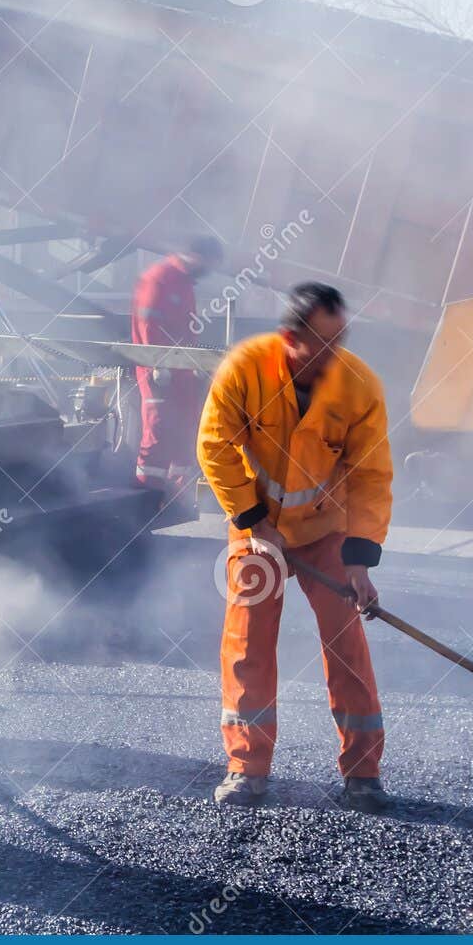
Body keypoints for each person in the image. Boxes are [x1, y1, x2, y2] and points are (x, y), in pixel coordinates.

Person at [196, 282, 393, 813]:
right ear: (289, 338)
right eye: (321, 343)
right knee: (249, 640)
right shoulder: (245, 369)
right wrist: (255, 521)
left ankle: (363, 772)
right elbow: (215, 445)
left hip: (329, 530)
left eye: (340, 340)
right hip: (259, 528)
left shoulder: (358, 387)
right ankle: (246, 767)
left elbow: (371, 478)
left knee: (346, 643)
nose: (332, 355)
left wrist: (360, 561)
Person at [132, 235, 224, 494]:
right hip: (159, 370)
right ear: (197, 256)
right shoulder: (160, 277)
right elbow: (147, 323)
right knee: (159, 429)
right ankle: (147, 494)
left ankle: (177, 495)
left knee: (185, 427)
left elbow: (184, 329)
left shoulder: (183, 282)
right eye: (210, 263)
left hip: (180, 369)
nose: (210, 270)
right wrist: (158, 364)